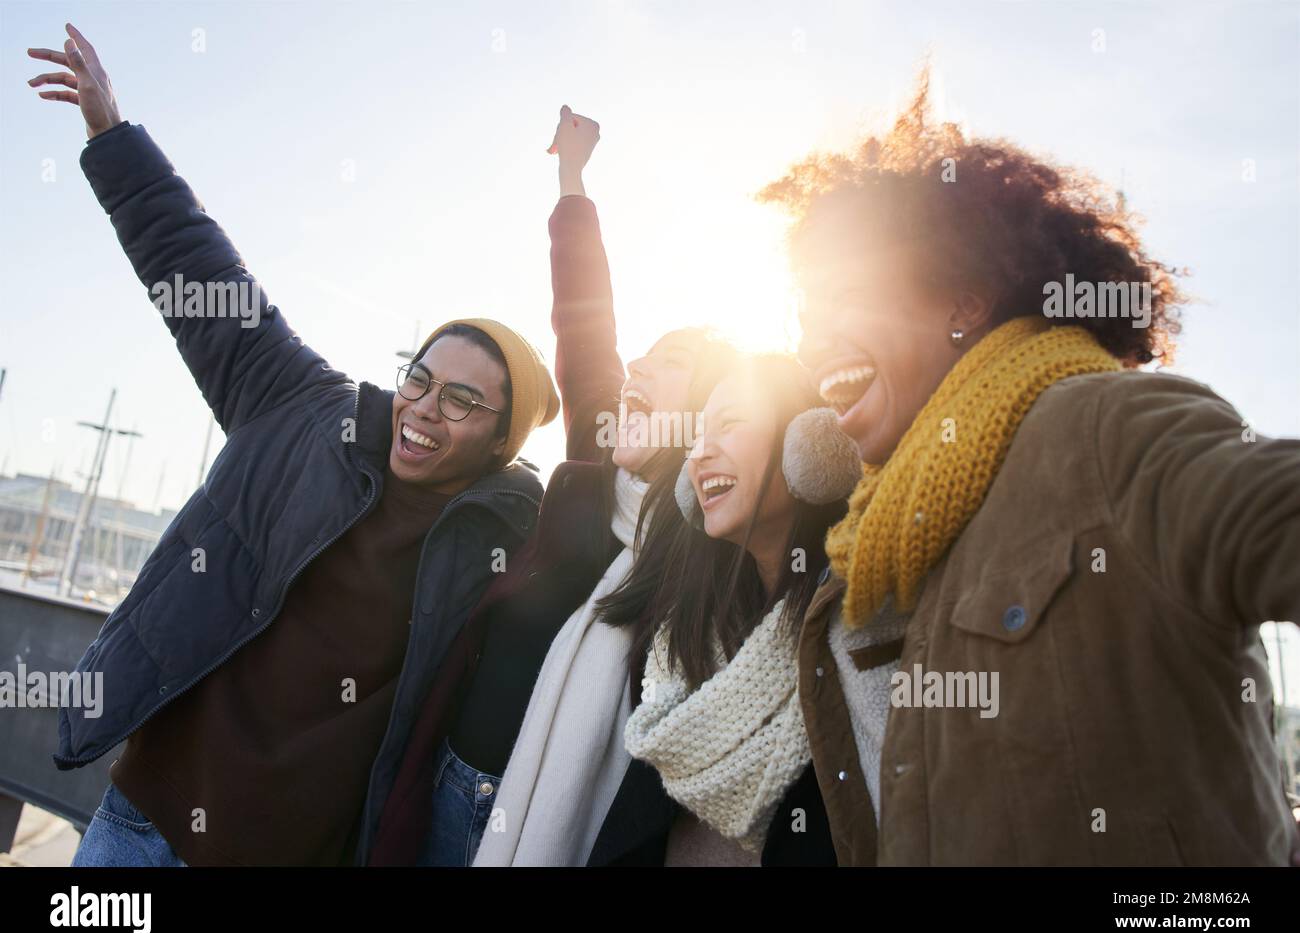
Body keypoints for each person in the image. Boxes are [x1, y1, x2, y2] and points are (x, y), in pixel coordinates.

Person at [31, 24, 560, 866]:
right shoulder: (304, 410)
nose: (423, 408)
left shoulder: (502, 535)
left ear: (502, 438)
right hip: (142, 820)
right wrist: (112, 135)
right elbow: (201, 271)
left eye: (462, 400)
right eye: (419, 378)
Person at [762, 70, 1300, 865]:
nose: (813, 341)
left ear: (963, 301)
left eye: (841, 295)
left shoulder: (1099, 426)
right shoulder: (892, 541)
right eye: (805, 316)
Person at [368, 107, 741, 866]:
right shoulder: (598, 465)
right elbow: (586, 327)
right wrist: (573, 177)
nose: (635, 367)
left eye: (665, 363)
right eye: (640, 358)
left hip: (564, 830)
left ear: (708, 408)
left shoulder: (715, 541)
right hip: (450, 785)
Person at [586, 354, 858, 866]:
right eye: (695, 438)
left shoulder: (859, 628)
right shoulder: (685, 629)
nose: (700, 455)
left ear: (809, 446)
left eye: (729, 425)